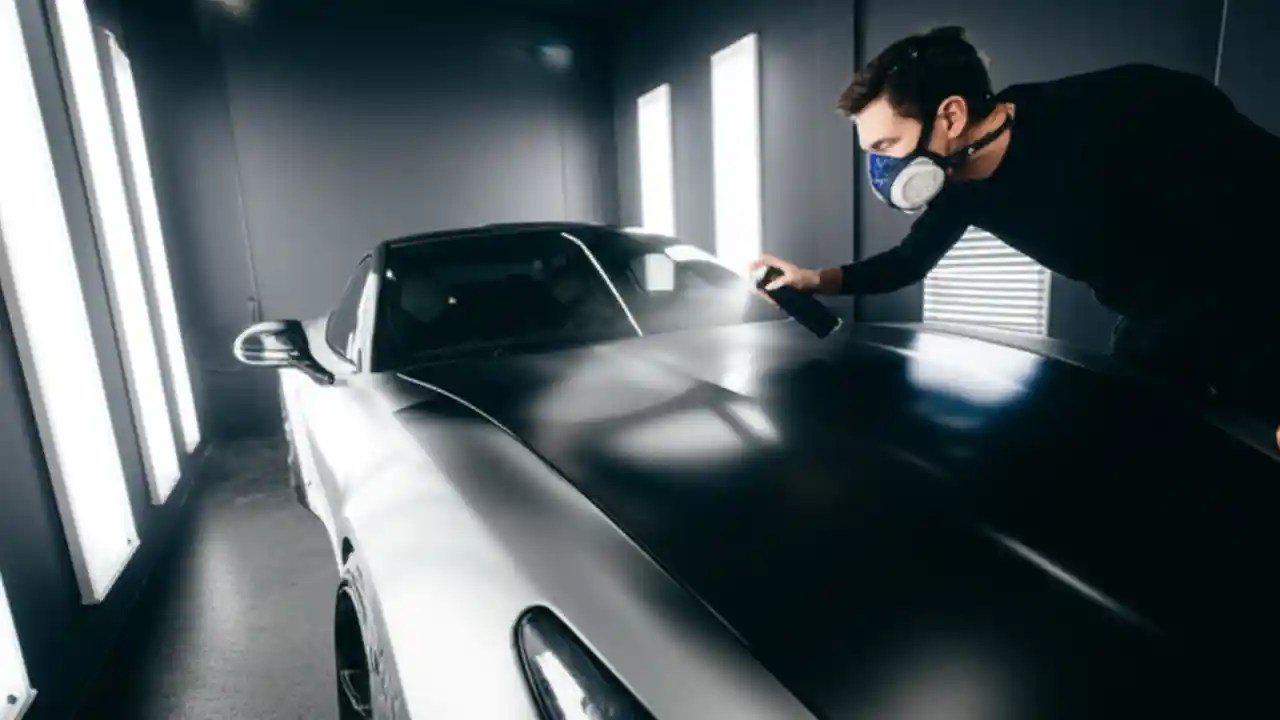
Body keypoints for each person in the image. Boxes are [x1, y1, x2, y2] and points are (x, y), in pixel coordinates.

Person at [753, 26, 1280, 433]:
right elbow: (906, 263)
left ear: (952, 116)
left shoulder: (1118, 107)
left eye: (885, 147)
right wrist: (810, 280)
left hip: (1255, 301)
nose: (879, 168)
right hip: (1154, 322)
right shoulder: (958, 185)